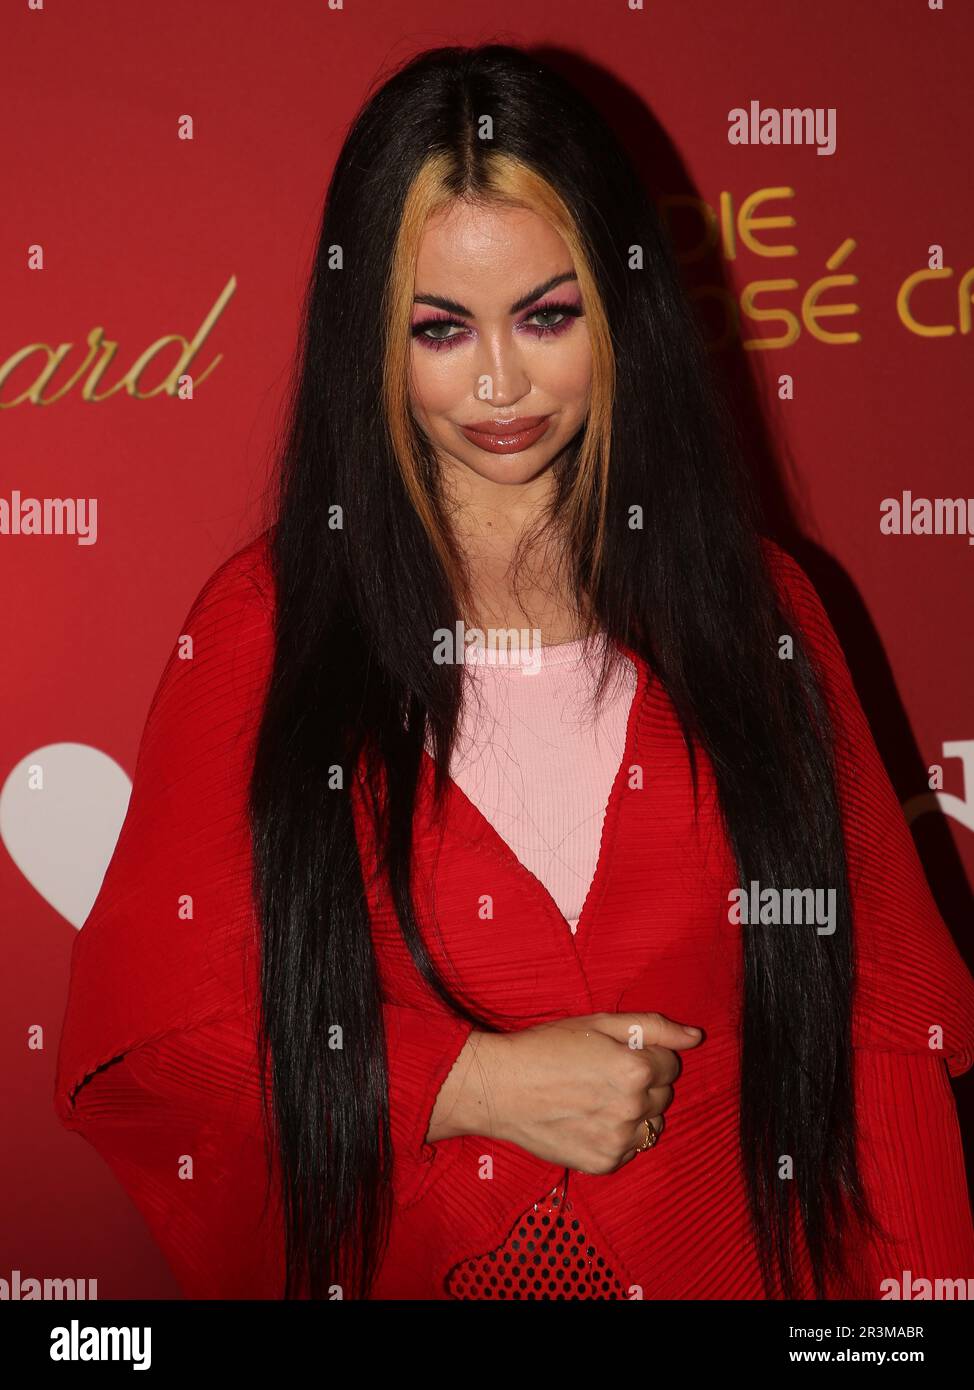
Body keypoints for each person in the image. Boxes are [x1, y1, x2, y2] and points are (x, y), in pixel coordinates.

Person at [54, 43, 974, 1301]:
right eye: (439, 327)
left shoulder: (760, 610)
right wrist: (463, 1083)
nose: (499, 383)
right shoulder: (265, 626)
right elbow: (155, 1043)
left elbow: (878, 1033)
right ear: (366, 334)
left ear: (623, 303)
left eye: (547, 314)